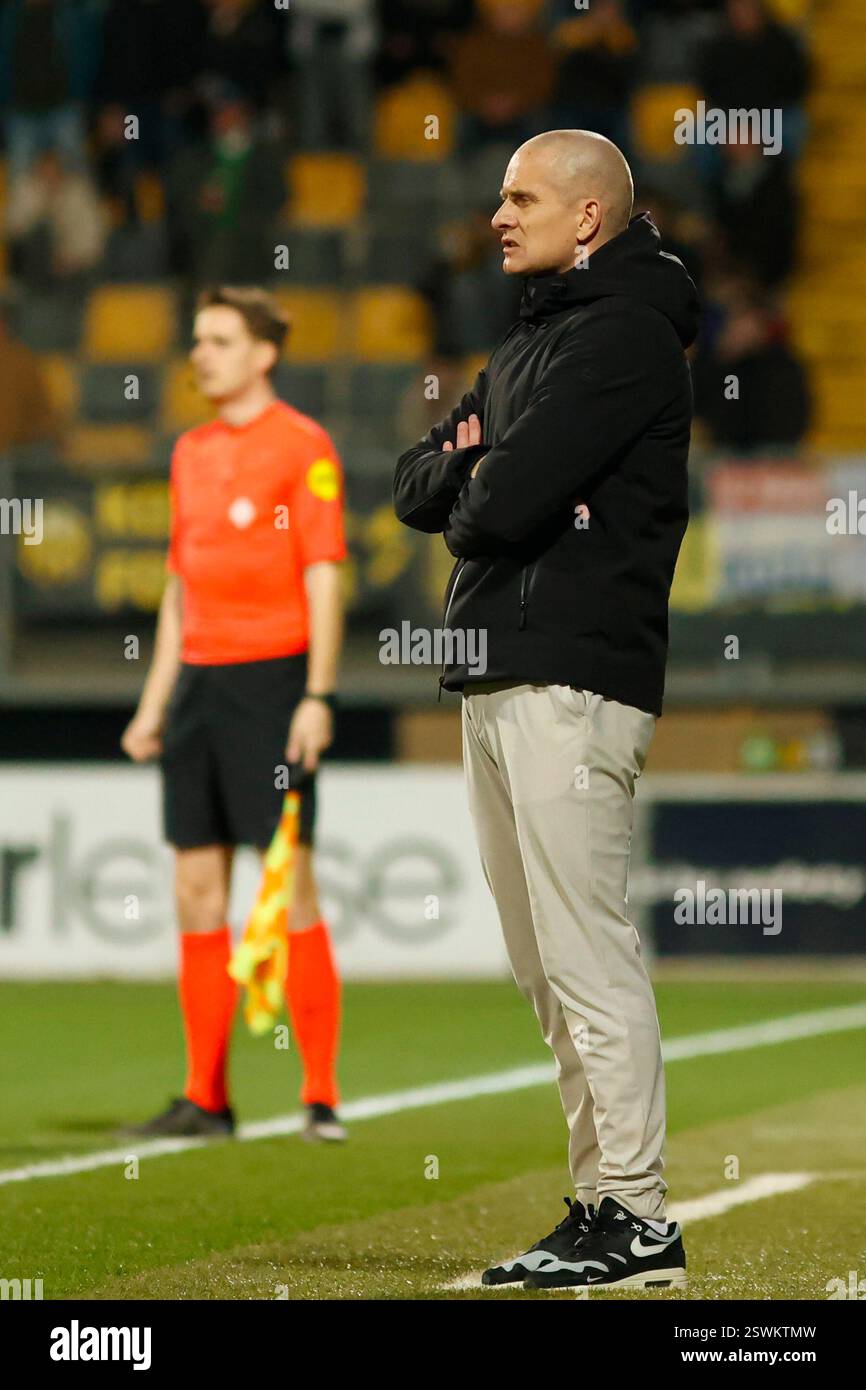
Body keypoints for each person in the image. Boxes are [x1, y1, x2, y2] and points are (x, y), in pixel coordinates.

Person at [394, 130, 700, 1290]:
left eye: (519, 196)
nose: (495, 214)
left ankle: (638, 1215)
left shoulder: (620, 336)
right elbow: (415, 484)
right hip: (499, 668)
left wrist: (480, 472)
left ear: (587, 217)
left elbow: (490, 504)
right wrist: (475, 469)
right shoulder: (540, 338)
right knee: (541, 964)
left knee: (584, 954)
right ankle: (599, 1202)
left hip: (570, 678)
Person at [121, 286, 347, 1144]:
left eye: (217, 340)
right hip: (199, 690)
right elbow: (180, 590)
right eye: (196, 340)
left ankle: (319, 1094)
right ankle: (205, 1098)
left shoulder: (302, 445)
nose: (199, 354)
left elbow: (323, 574)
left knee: (286, 884)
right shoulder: (190, 451)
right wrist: (154, 705)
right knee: (195, 889)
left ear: (264, 354)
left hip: (272, 684)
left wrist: (318, 695)